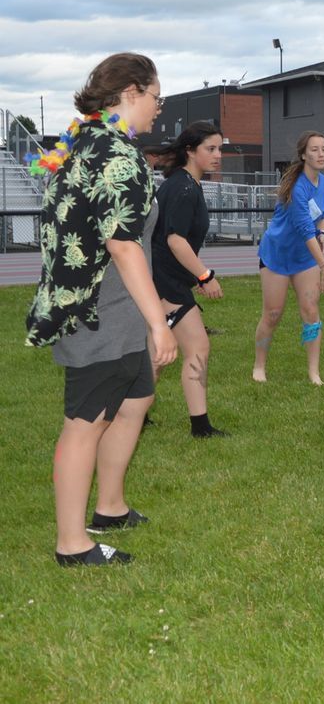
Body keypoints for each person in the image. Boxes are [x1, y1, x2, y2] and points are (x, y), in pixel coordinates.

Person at [24, 52, 177, 566]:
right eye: (157, 96)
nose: (160, 107)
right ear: (132, 92)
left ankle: (109, 506)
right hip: (101, 310)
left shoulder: (81, 142)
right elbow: (124, 245)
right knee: (84, 421)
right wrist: (161, 323)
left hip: (112, 306)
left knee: (135, 400)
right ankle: (73, 543)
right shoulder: (116, 154)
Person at [151, 121, 227, 438]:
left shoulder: (185, 184)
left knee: (158, 355)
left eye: (220, 148)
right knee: (197, 346)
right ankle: (201, 427)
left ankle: (128, 415)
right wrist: (204, 275)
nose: (218, 155)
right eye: (210, 149)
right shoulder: (183, 187)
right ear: (190, 151)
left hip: (162, 277)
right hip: (163, 279)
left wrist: (190, 273)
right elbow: (175, 241)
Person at [253, 131, 324, 385]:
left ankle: (314, 373)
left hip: (304, 257)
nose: (320, 154)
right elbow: (303, 229)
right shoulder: (297, 188)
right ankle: (259, 367)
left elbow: (323, 213)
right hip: (277, 255)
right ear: (303, 155)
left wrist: (323, 231)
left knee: (311, 311)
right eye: (314, 150)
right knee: (273, 313)